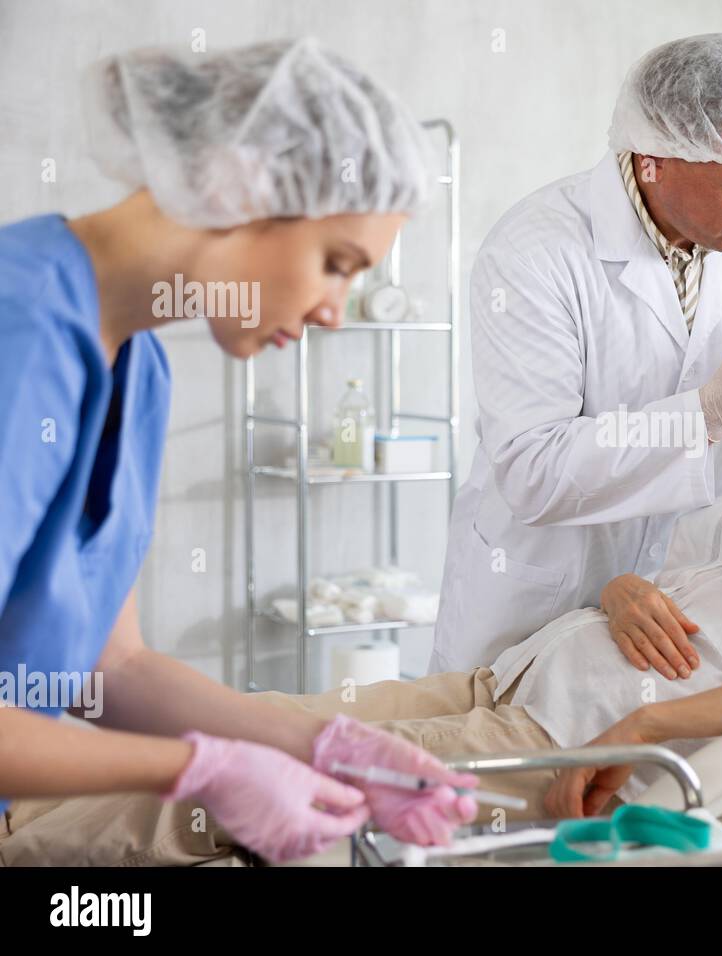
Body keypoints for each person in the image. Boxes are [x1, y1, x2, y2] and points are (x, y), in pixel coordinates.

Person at [0, 292, 722, 865]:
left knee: (230, 798)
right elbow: (673, 582)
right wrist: (618, 590)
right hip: (503, 681)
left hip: (564, 738)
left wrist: (646, 724)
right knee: (258, 718)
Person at [0, 38, 478, 865]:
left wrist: (323, 743)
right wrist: (203, 770)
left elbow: (111, 669)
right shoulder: (21, 324)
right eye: (336, 264)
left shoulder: (137, 365)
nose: (334, 312)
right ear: (237, 187)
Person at [432, 33, 722, 673]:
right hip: (542, 590)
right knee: (507, 759)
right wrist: (709, 413)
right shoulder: (534, 253)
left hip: (680, 591)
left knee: (640, 761)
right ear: (654, 160)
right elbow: (532, 471)